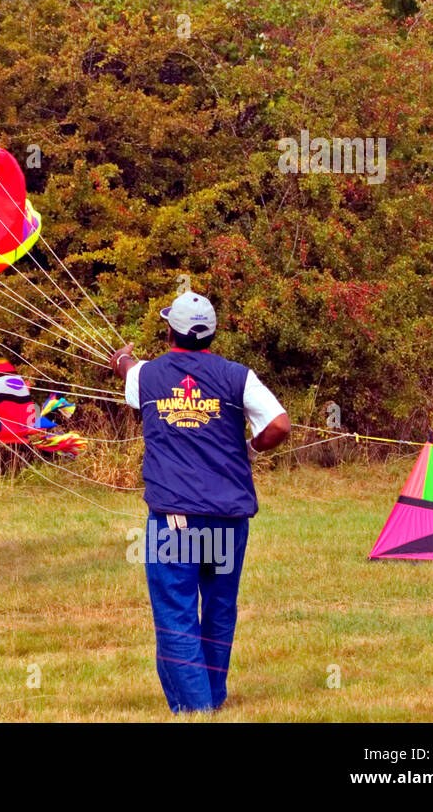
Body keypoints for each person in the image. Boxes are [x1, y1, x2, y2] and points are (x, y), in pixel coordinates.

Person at [109, 291, 290, 713]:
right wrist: (253, 447)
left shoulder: (147, 376)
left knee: (177, 614)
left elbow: (126, 369)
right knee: (219, 610)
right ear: (212, 333)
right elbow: (279, 423)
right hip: (227, 518)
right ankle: (212, 697)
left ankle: (195, 710)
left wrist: (120, 358)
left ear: (169, 330)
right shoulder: (236, 376)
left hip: (176, 522)